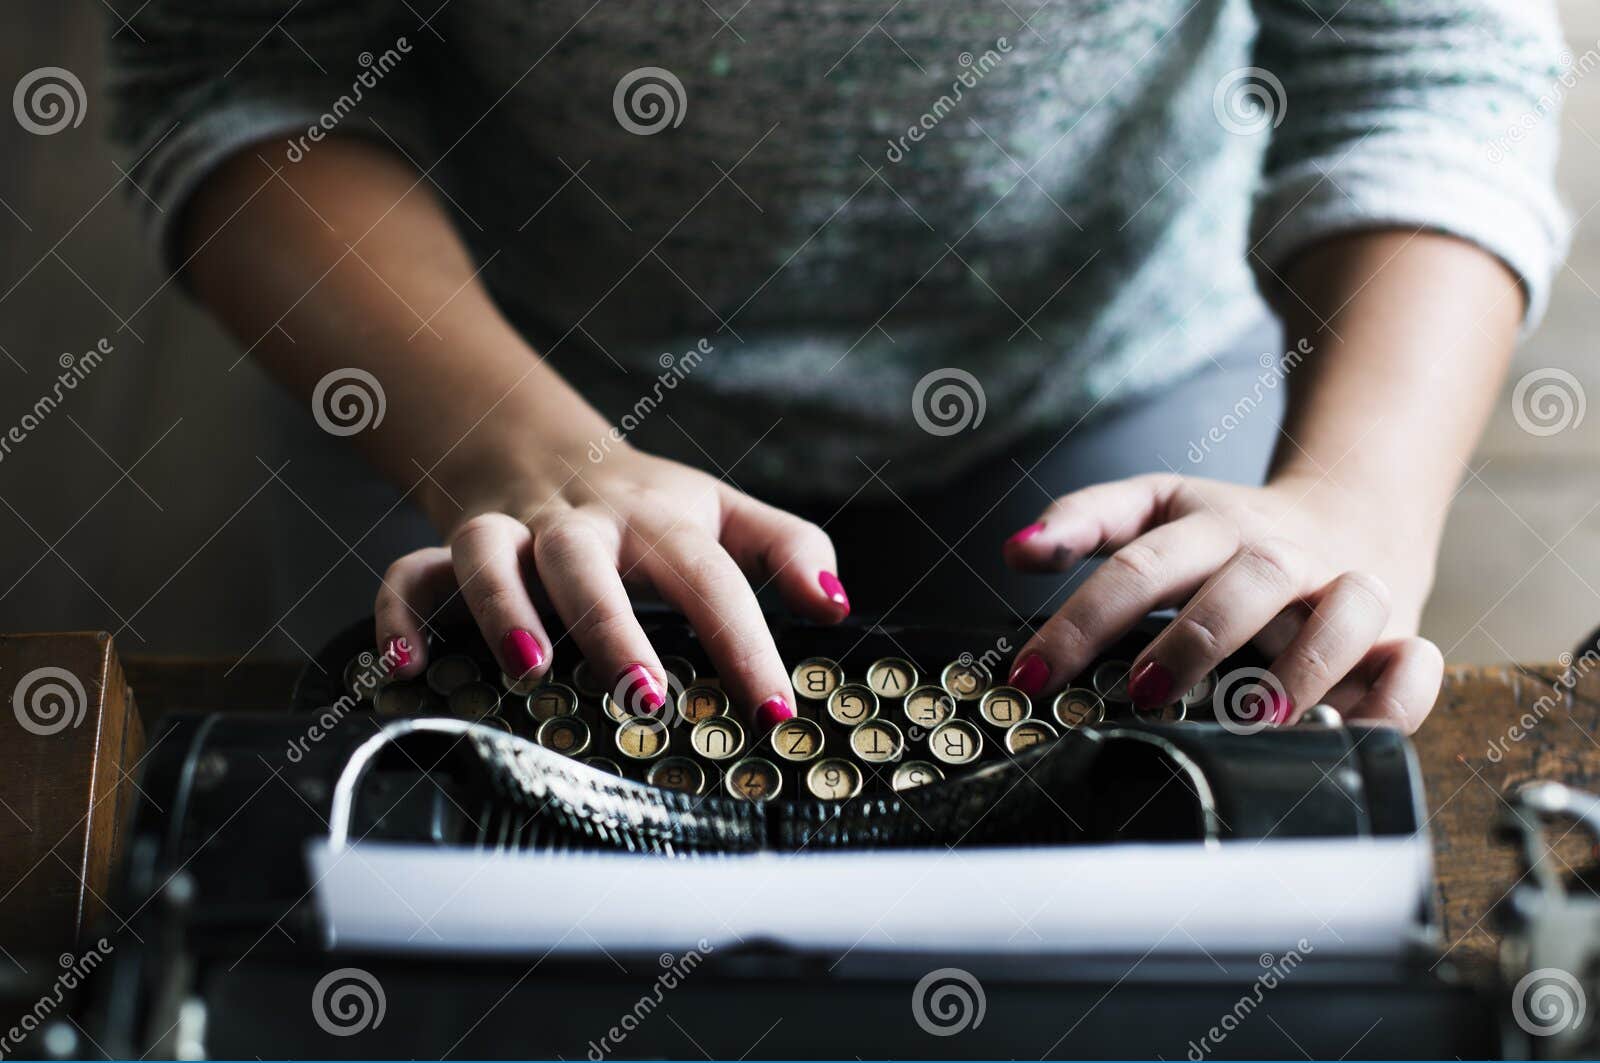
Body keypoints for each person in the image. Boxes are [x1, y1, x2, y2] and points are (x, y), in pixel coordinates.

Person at [109, 2, 1569, 733]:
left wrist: (1355, 502)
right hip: (480, 375)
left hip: (1105, 405)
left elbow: (1425, 63)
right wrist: (509, 448)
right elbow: (252, 64)